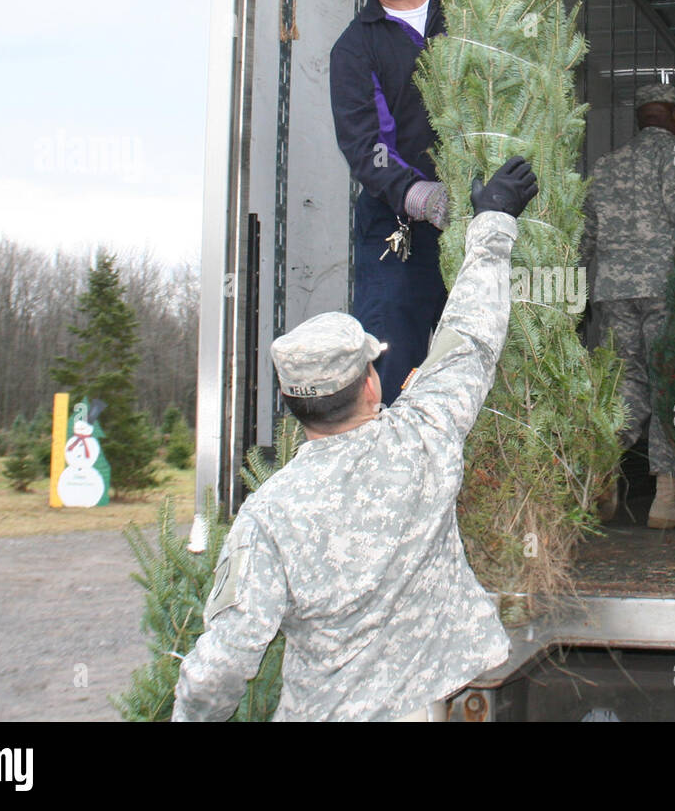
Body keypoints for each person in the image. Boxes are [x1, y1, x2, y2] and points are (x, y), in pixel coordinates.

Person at [171, 157, 539, 722]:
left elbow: (224, 662)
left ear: (292, 408)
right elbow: (470, 333)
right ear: (371, 381)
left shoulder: (268, 516)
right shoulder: (425, 435)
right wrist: (491, 221)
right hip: (436, 701)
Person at [329, 0, 450, 406]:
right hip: (397, 234)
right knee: (391, 365)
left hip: (482, 220)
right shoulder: (355, 48)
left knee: (486, 360)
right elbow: (365, 147)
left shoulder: (465, 14)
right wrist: (416, 194)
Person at [582, 82, 675, 529]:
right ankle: (666, 498)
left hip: (613, 292)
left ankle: (600, 467)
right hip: (664, 290)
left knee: (625, 385)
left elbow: (585, 236)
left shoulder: (605, 164)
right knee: (670, 385)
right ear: (674, 117)